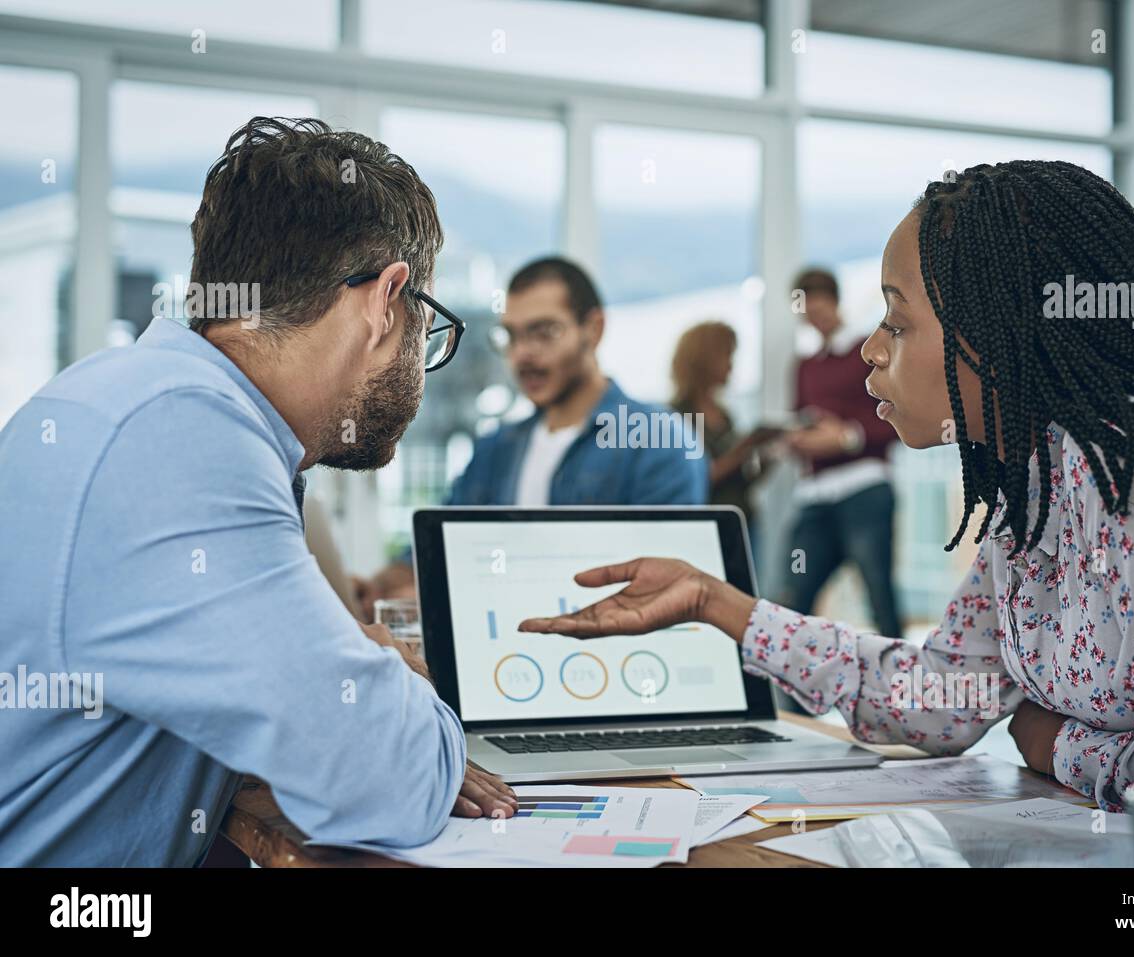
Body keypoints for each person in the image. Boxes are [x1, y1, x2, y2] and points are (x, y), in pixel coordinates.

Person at [518, 160, 1134, 812]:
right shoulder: (1038, 492)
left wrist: (1052, 740)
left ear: (996, 332)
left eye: (897, 321)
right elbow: (943, 696)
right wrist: (712, 601)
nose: (870, 348)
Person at [0, 117, 516, 866]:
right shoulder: (184, 434)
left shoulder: (132, 398)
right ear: (386, 299)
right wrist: (381, 675)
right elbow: (384, 777)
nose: (420, 359)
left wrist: (341, 671)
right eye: (426, 327)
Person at [356, 256, 709, 615]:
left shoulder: (657, 440)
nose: (522, 354)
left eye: (544, 332)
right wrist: (381, 586)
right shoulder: (498, 448)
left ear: (594, 329)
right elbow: (439, 540)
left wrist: (456, 591)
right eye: (511, 335)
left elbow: (660, 585)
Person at [778, 267, 903, 639]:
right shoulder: (803, 367)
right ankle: (794, 697)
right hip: (815, 495)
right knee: (793, 596)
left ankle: (902, 691)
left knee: (880, 597)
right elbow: (798, 416)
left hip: (864, 490)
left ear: (834, 302)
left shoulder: (868, 352)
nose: (813, 316)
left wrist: (847, 438)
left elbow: (899, 417)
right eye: (805, 310)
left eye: (818, 306)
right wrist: (796, 440)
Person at [669, 320, 781, 564]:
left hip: (743, 524)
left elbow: (741, 480)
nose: (731, 366)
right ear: (705, 359)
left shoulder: (724, 415)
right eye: (726, 356)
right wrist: (745, 446)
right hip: (707, 532)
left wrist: (768, 457)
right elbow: (695, 479)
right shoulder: (677, 417)